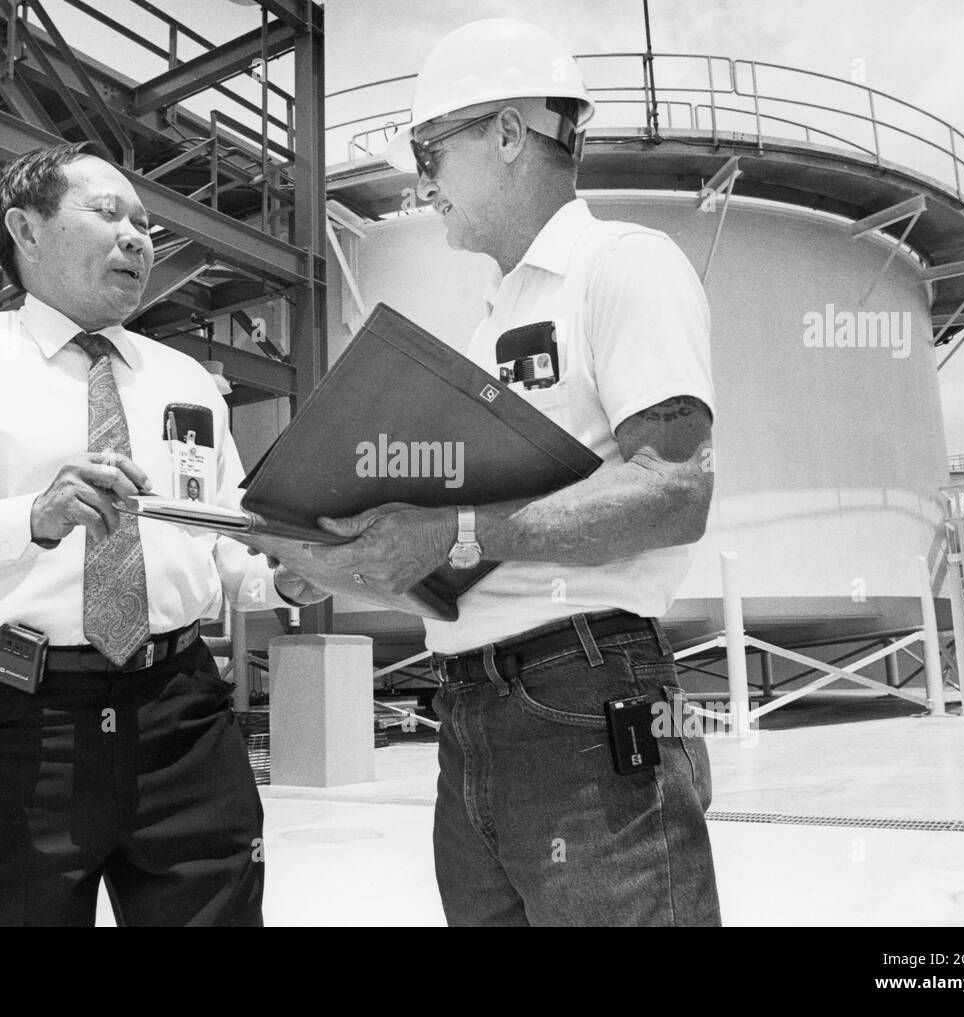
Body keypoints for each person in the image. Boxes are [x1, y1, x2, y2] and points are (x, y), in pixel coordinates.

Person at [0, 141, 325, 927]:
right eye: (109, 213)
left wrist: (283, 579)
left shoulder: (186, 379)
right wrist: (28, 516)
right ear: (25, 230)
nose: (139, 236)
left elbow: (225, 543)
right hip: (16, 723)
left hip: (184, 716)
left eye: (145, 223)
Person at [308, 19, 721, 926]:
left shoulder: (622, 267)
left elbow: (673, 490)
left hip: (585, 694)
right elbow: (466, 540)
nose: (422, 183)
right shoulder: (491, 323)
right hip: (469, 707)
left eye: (430, 149)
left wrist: (454, 531)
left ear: (504, 133)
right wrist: (349, 553)